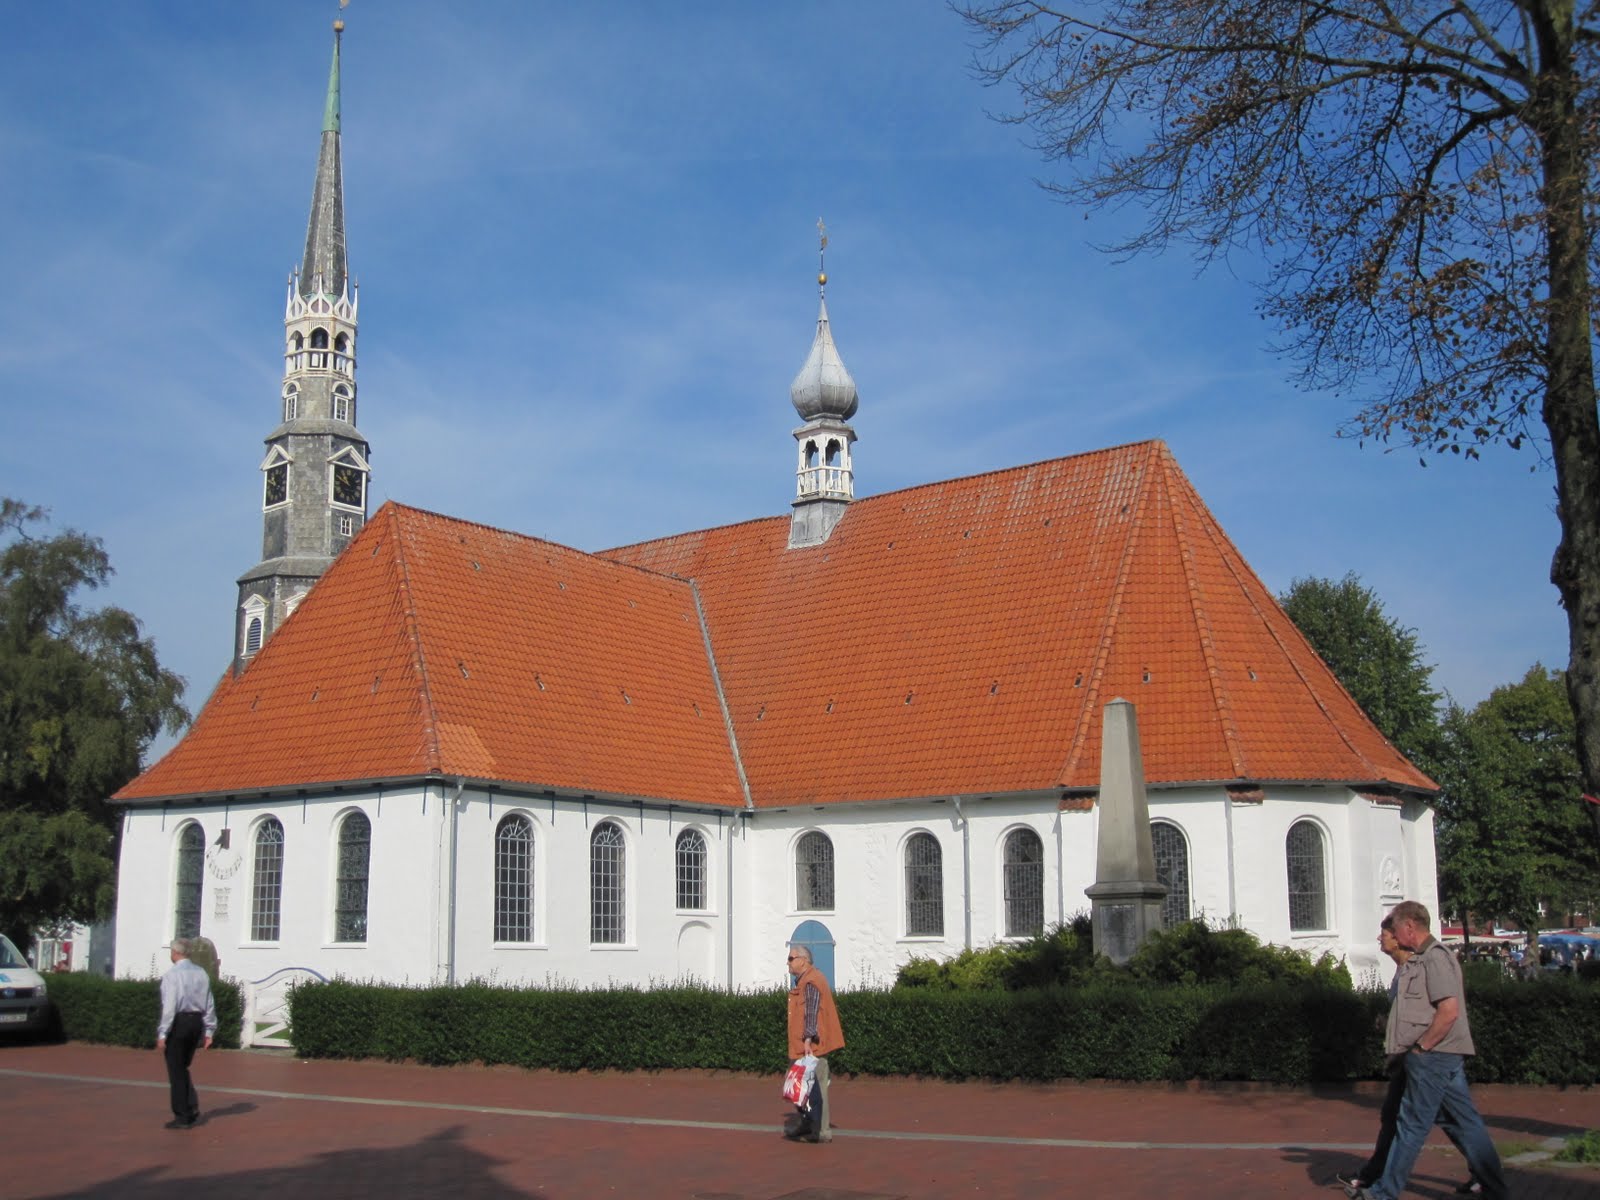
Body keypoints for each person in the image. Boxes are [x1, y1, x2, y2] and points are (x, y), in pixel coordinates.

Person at [1346, 901, 1507, 1200]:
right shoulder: (1419, 960)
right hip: (1431, 1057)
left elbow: (1449, 1011)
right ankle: (1494, 1187)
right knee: (1460, 1121)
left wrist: (1421, 1048)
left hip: (1433, 1056)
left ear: (1409, 927)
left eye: (1393, 929)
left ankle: (1383, 1192)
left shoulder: (1435, 959)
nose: (1388, 934)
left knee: (1411, 1125)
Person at [784, 943, 844, 1143]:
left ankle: (820, 1131)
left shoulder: (811, 981)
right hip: (802, 1047)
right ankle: (807, 1123)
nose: (788, 962)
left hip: (810, 1048)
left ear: (803, 961)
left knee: (815, 1089)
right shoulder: (804, 981)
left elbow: (812, 1011)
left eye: (791, 958)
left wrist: (808, 1040)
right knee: (800, 1087)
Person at [156, 937, 217, 1130]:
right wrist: (209, 1029)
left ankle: (183, 1115)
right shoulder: (201, 973)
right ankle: (190, 1107)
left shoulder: (172, 975)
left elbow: (170, 1006)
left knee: (176, 1068)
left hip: (179, 1022)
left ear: (175, 952)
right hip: (196, 1022)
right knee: (183, 1066)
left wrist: (163, 1033)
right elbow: (209, 1002)